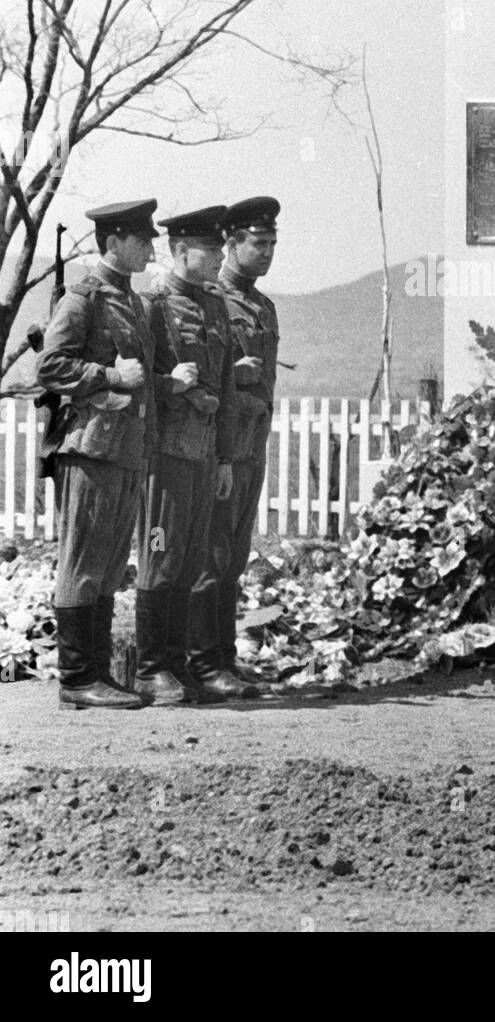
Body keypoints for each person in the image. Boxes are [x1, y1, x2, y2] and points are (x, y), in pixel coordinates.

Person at [36, 200, 168, 710]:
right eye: (142, 240)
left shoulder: (131, 302)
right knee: (83, 562)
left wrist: (163, 385)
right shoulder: (83, 298)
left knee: (110, 565)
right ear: (114, 242)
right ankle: (75, 678)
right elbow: (52, 367)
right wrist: (111, 377)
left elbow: (138, 379)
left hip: (124, 451)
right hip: (90, 449)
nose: (151, 248)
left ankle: (97, 676)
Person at [135, 206, 237, 706]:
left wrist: (223, 458)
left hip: (202, 453)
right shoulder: (152, 305)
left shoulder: (214, 307)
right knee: (160, 555)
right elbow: (136, 379)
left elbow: (226, 389)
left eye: (220, 250)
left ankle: (177, 667)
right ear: (180, 251)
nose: (220, 257)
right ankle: (151, 670)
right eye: (211, 249)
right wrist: (174, 390)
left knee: (192, 558)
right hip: (163, 453)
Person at [201, 197, 281, 691]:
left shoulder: (263, 305)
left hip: (252, 444)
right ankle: (205, 661)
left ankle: (224, 659)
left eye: (273, 243)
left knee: (233, 555)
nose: (269, 252)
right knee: (209, 552)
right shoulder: (212, 299)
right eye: (259, 242)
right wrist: (229, 372)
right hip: (218, 447)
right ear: (231, 242)